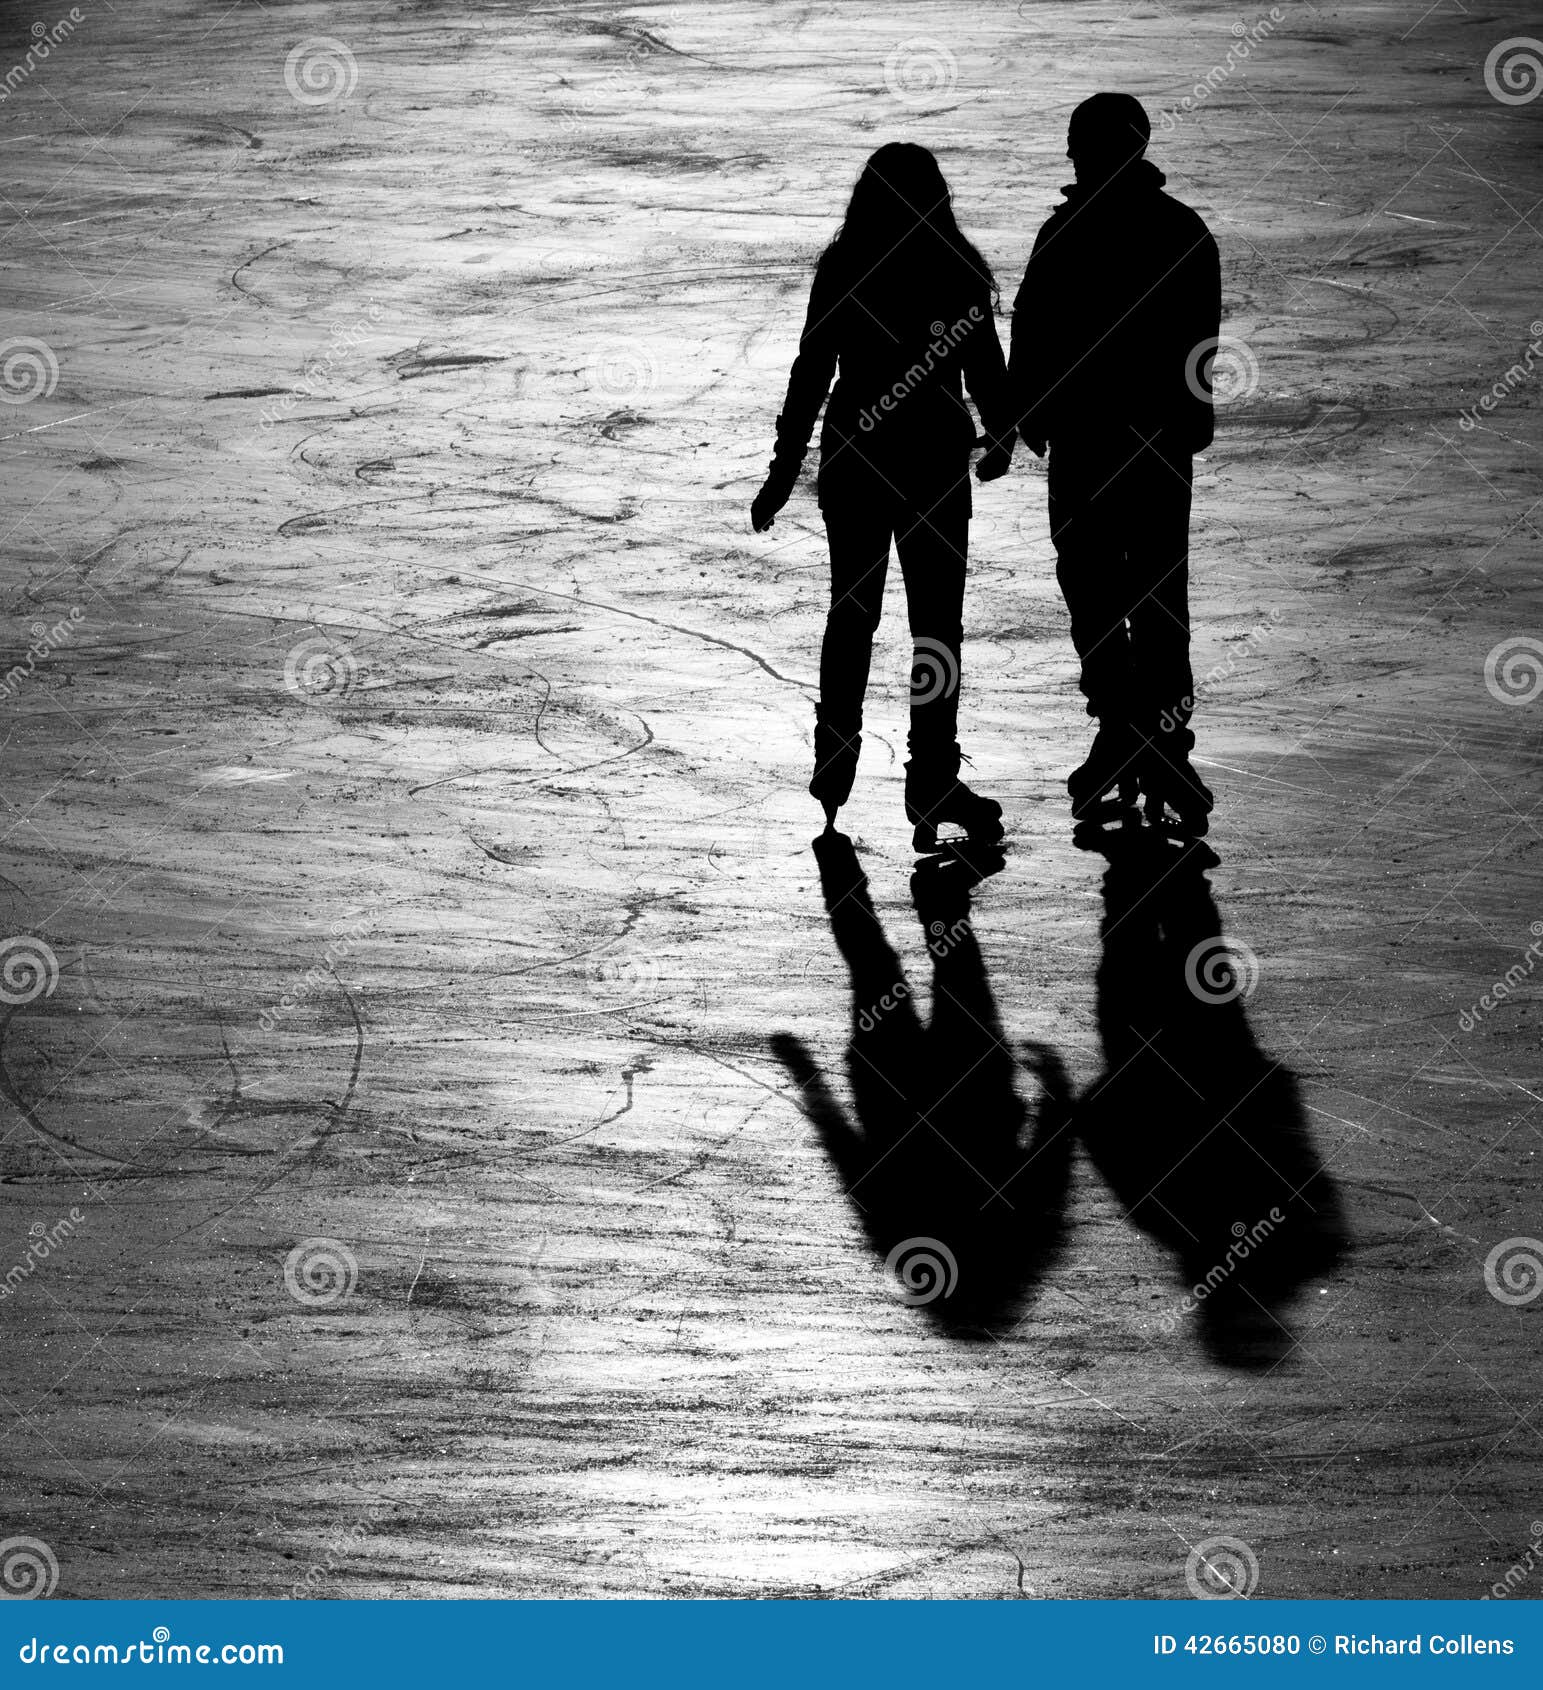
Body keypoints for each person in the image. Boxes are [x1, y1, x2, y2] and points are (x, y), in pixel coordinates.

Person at [750, 143, 1016, 851]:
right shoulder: (954, 268)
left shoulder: (846, 266)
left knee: (852, 611)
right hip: (930, 462)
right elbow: (984, 366)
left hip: (857, 457)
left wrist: (783, 471)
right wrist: (1000, 434)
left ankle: (835, 754)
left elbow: (811, 369)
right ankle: (930, 776)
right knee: (936, 629)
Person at [1009, 93, 1221, 834]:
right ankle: (1160, 736)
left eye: (1078, 150)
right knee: (1158, 595)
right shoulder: (1181, 231)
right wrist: (1189, 422)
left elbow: (1029, 332)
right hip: (1156, 444)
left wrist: (1024, 419)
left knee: (1093, 589)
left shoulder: (1064, 233)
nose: (1072, 162)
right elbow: (1201, 338)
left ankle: (1121, 726)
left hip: (1087, 444)